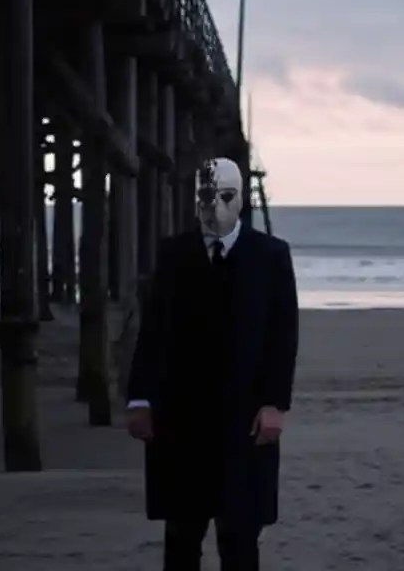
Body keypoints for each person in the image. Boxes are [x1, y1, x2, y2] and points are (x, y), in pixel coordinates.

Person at [126, 156, 300, 571]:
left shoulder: (271, 256)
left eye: (224, 197)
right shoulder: (174, 254)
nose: (214, 207)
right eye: (205, 196)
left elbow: (284, 336)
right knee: (181, 536)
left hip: (245, 417)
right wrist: (139, 399)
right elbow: (152, 330)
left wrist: (276, 404)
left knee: (240, 536)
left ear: (240, 199)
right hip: (179, 416)